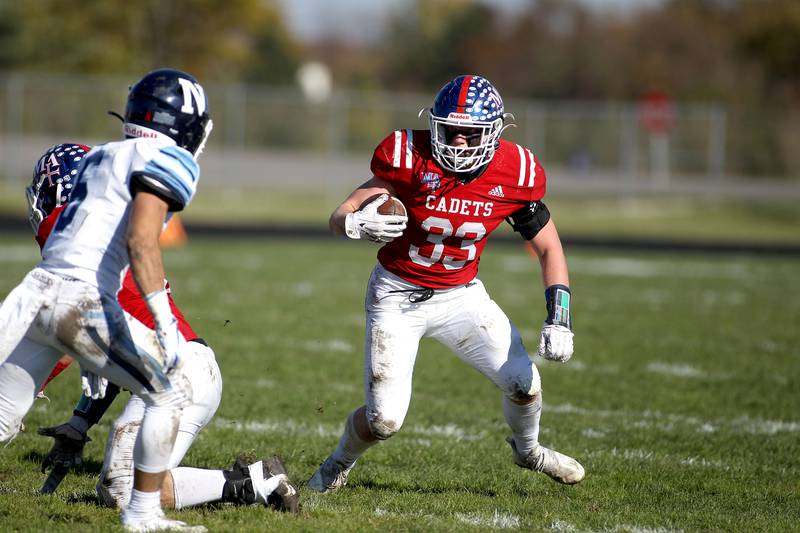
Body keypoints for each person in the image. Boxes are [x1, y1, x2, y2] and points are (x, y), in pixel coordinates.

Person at [308, 74, 584, 494]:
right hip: (397, 296)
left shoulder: (515, 172)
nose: (456, 142)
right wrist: (354, 223)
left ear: (492, 134)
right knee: (384, 421)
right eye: (448, 130)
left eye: (468, 133)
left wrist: (559, 318)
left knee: (525, 385)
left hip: (461, 297)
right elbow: (340, 212)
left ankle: (529, 451)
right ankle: (336, 464)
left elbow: (549, 249)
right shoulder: (408, 155)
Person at [25, 144, 298, 513]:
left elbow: (61, 327)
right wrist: (79, 422)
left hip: (176, 375)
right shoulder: (113, 222)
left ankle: (257, 481)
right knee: (124, 487)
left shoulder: (64, 221)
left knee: (122, 489)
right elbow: (112, 353)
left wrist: (26, 388)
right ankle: (254, 482)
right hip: (188, 370)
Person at [0, 68, 215, 532]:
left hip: (34, 292)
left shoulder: (100, 155)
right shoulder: (171, 157)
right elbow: (141, 243)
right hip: (81, 300)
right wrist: (163, 323)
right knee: (169, 390)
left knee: (0, 413)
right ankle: (142, 515)